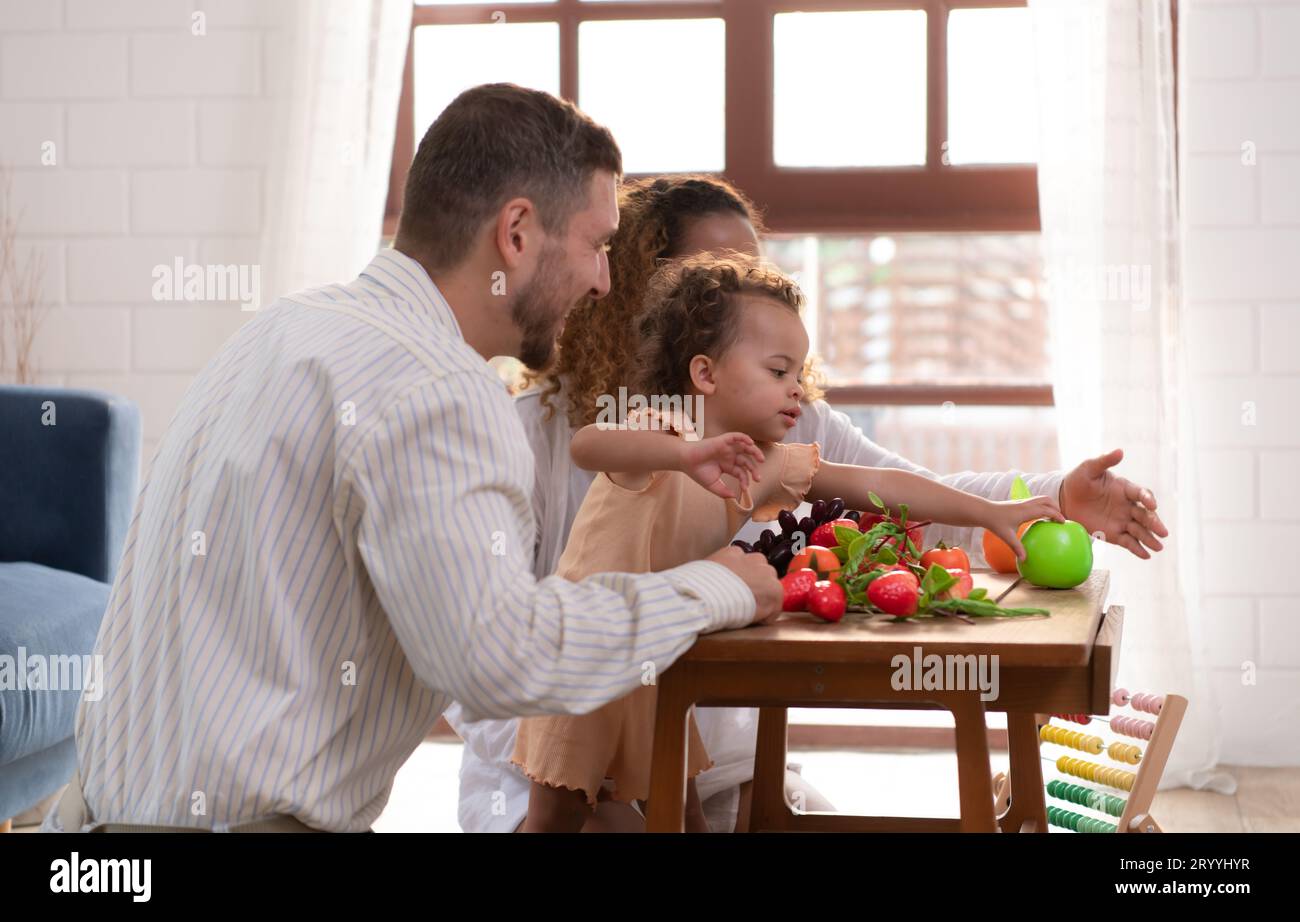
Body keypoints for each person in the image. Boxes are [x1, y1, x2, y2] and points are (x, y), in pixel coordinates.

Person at [43, 86, 782, 833]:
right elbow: (503, 658)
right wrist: (713, 587)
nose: (604, 280)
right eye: (596, 244)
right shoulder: (437, 385)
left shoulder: (284, 328)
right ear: (517, 233)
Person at [448, 174, 1169, 834]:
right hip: (551, 736)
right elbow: (469, 649)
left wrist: (1049, 500)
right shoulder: (571, 432)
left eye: (759, 276)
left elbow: (899, 492)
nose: (749, 291)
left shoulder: (781, 425)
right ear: (655, 304)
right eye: (719, 282)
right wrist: (683, 456)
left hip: (710, 753)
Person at [510, 254, 1064, 833]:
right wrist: (684, 454)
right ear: (705, 374)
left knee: (683, 812)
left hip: (656, 663)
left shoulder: (765, 462)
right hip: (584, 652)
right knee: (556, 817)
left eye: (797, 372)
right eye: (778, 371)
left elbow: (873, 486)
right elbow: (588, 445)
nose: (796, 388)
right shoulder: (667, 427)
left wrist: (987, 512)